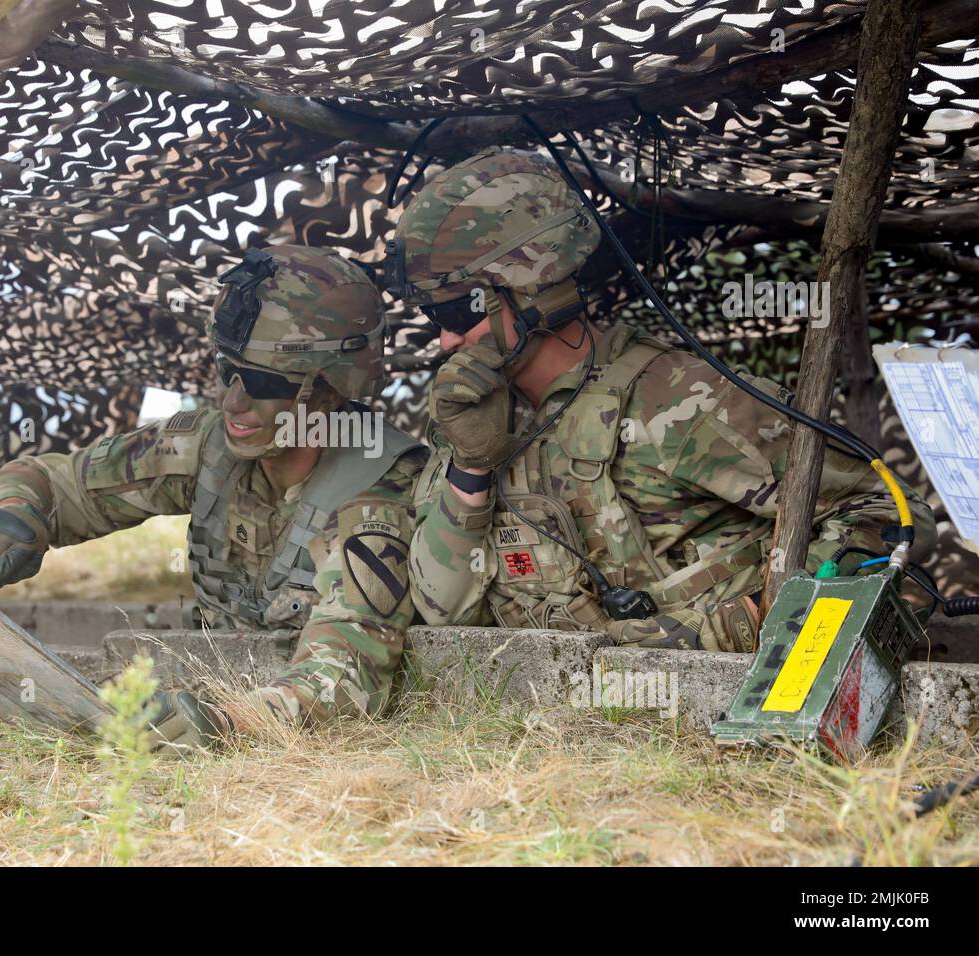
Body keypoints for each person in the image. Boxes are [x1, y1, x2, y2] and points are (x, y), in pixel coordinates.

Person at [390, 147, 935, 652]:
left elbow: (891, 513)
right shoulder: (473, 419)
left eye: (458, 313)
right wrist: (469, 470)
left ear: (530, 289)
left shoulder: (674, 399)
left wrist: (749, 620)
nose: (446, 342)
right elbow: (444, 611)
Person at [0, 245, 427, 753]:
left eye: (265, 383)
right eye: (229, 371)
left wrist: (230, 722)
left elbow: (346, 672)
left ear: (333, 390)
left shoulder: (379, 493)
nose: (234, 401)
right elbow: (61, 483)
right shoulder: (208, 445)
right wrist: (16, 507)